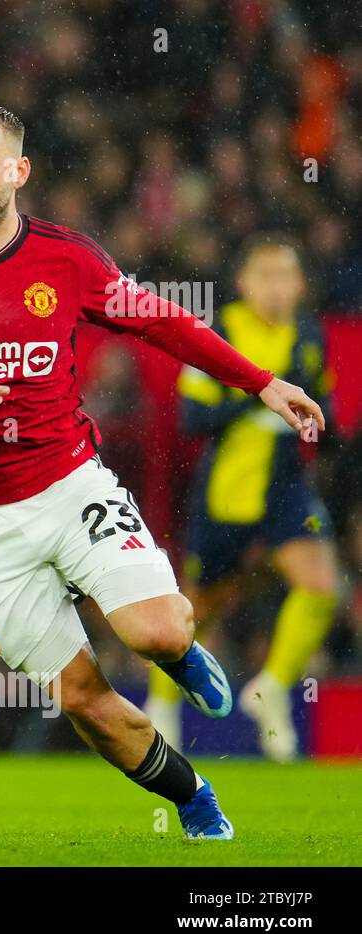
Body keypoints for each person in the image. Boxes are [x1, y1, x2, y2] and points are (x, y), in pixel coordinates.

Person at [0, 104, 325, 840]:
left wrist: (260, 381)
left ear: (18, 170)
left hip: (70, 485)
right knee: (80, 697)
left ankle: (182, 654)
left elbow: (162, 320)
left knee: (158, 632)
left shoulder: (66, 258)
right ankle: (195, 799)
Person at [144, 235, 338, 761]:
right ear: (244, 283)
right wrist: (258, 400)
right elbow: (191, 418)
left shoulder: (307, 334)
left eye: (285, 276)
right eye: (265, 276)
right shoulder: (221, 332)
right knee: (200, 609)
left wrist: (325, 420)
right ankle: (161, 706)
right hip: (226, 495)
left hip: (286, 490)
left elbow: (329, 409)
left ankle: (270, 688)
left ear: (299, 284)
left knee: (321, 586)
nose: (276, 288)